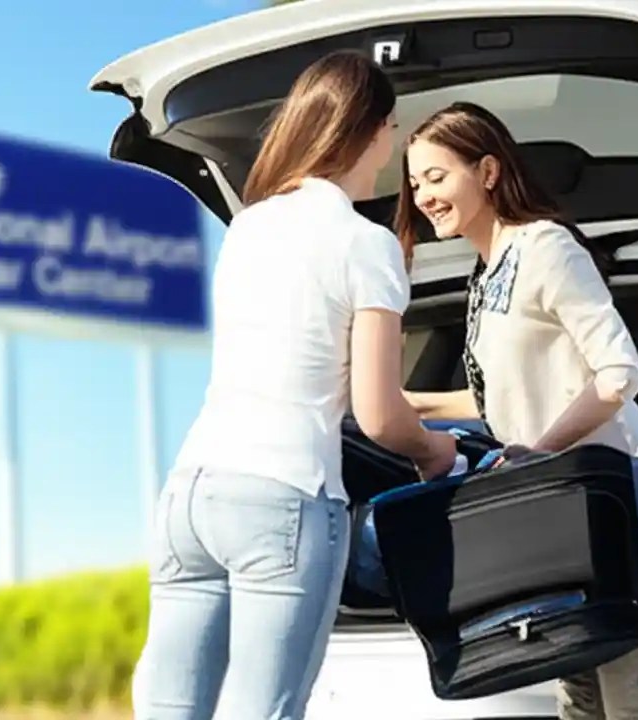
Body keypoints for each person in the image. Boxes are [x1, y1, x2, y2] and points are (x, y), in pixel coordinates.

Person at [131, 51, 459, 720]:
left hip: (192, 492)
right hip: (283, 496)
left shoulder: (249, 226)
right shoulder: (365, 244)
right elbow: (377, 415)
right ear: (375, 130)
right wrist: (434, 451)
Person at [397, 101, 638, 720]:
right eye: (413, 182)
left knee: (631, 705)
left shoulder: (545, 247)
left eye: (435, 176)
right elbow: (501, 400)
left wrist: (539, 452)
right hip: (558, 512)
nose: (421, 195)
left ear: (486, 171)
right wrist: (401, 402)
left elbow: (618, 372)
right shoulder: (484, 275)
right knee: (578, 701)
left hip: (619, 501)